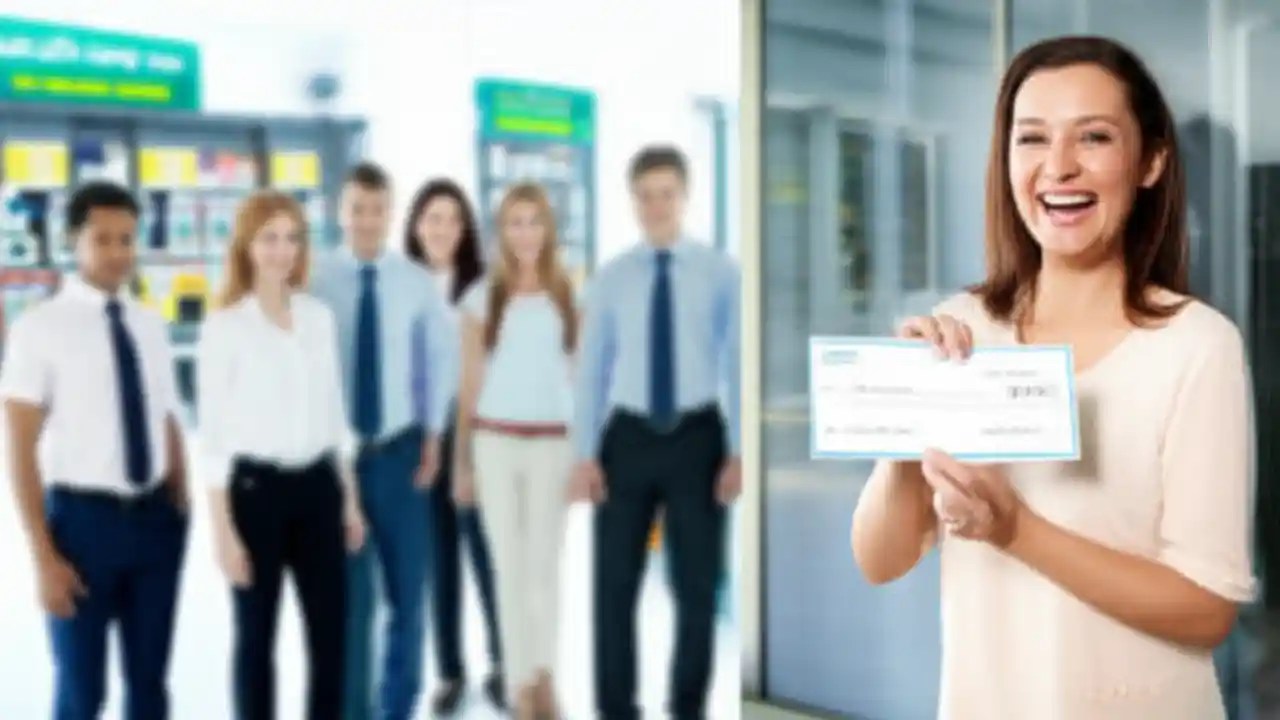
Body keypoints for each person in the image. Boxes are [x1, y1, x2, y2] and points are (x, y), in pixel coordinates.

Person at [850, 36, 1256, 720]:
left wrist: (1016, 530)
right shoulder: (961, 330)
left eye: (1094, 137)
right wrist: (902, 437)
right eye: (1031, 139)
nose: (1058, 168)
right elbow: (880, 561)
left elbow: (1206, 608)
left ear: (1150, 161)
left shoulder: (1196, 347)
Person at [1, 181, 190, 719]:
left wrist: (180, 504)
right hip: (82, 529)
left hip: (155, 524)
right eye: (102, 239)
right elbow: (17, 448)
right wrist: (43, 558)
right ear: (74, 241)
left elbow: (168, 416)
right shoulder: (39, 329)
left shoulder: (150, 325)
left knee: (150, 686)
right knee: (83, 693)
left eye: (127, 239)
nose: (117, 253)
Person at [572, 146, 742, 720]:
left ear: (685, 196)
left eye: (666, 194)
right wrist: (584, 454)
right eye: (645, 195)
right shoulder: (611, 278)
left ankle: (686, 707)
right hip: (627, 439)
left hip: (697, 438)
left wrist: (738, 450)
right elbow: (591, 368)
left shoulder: (721, 273)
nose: (656, 206)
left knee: (697, 590)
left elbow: (736, 364)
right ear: (633, 201)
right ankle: (617, 710)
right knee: (613, 588)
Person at [197, 190, 368, 720]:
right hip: (256, 497)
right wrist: (223, 533)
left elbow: (335, 416)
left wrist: (350, 500)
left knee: (330, 638)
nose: (282, 250)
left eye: (292, 237)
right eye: (270, 238)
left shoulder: (317, 318)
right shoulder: (224, 327)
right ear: (247, 245)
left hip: (319, 490)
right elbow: (215, 439)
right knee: (256, 640)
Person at [310, 162, 454, 720]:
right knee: (350, 604)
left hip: (399, 455)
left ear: (391, 213)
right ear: (339, 212)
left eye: (377, 209)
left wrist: (434, 438)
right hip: (334, 464)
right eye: (356, 209)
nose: (367, 221)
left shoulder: (413, 282)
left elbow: (437, 363)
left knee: (407, 596)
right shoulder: (316, 280)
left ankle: (397, 707)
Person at [454, 182, 577, 720]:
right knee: (509, 568)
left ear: (548, 229)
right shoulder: (481, 297)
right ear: (500, 232)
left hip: (554, 445)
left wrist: (587, 456)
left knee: (545, 569)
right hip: (495, 444)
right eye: (514, 222)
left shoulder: (571, 293)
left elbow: (583, 381)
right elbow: (469, 385)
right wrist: (461, 461)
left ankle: (546, 678)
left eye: (534, 221)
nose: (525, 233)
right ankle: (522, 686)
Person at [402, 178, 506, 715]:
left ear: (464, 230)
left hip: (474, 429)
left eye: (452, 220)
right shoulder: (401, 285)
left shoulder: (483, 289)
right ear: (416, 226)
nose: (441, 229)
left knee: (486, 556)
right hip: (420, 436)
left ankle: (503, 667)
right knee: (438, 559)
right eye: (432, 218)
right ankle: (449, 671)